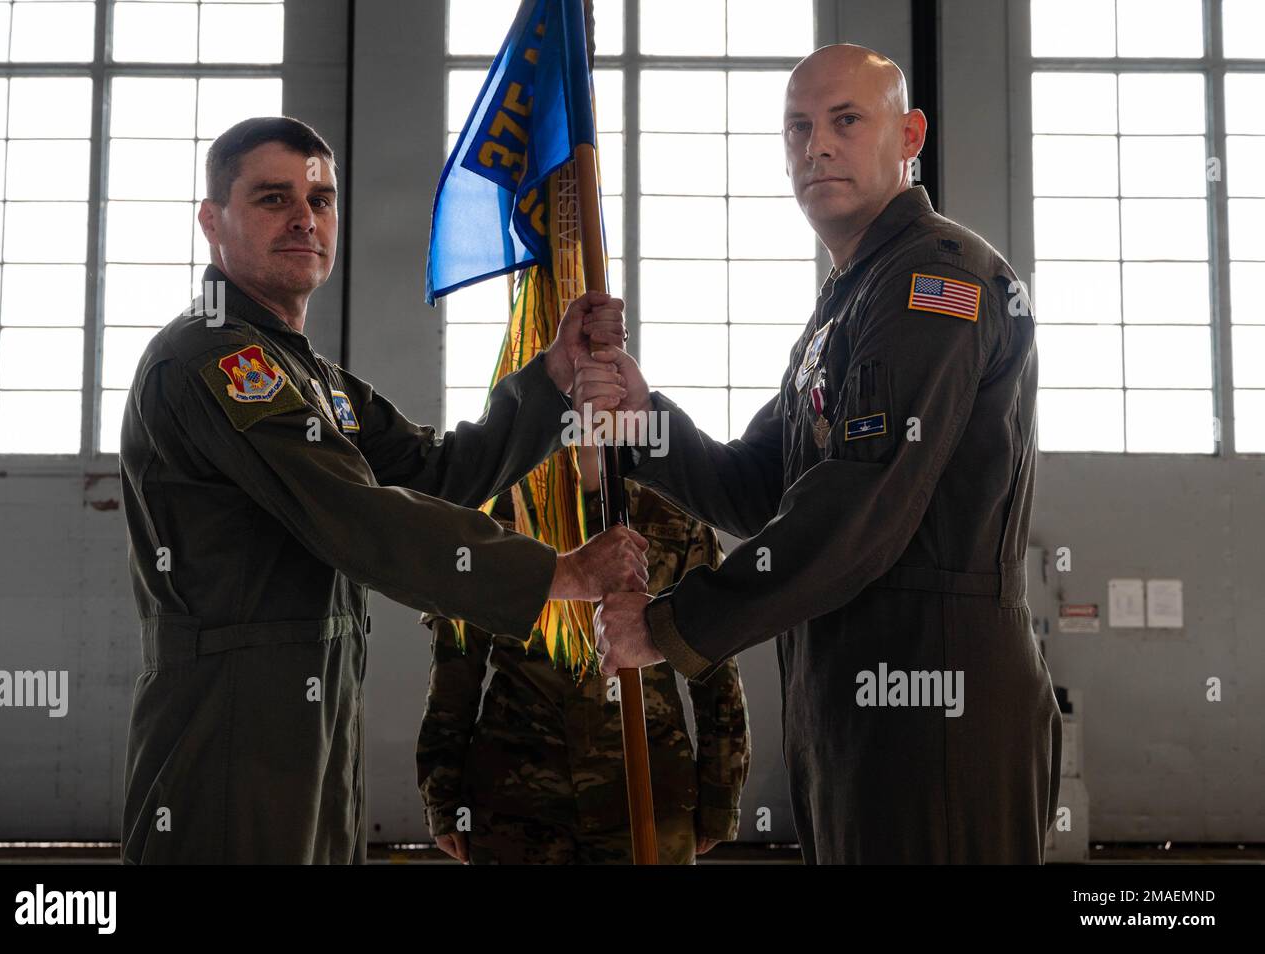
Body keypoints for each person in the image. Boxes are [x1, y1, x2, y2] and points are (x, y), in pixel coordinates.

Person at [579, 45, 1062, 863]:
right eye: (797, 128)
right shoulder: (847, 304)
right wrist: (641, 422)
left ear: (909, 135)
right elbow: (757, 485)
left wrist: (671, 624)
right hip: (851, 702)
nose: (817, 147)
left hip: (934, 695)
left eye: (846, 121)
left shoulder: (934, 283)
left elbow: (858, 507)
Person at [118, 116, 646, 864]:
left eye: (321, 200)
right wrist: (556, 573)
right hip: (230, 717)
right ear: (212, 221)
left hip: (316, 708)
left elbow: (436, 472)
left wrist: (552, 378)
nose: (305, 217)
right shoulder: (213, 361)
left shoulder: (311, 377)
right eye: (273, 198)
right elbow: (356, 514)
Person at [416, 444, 751, 864]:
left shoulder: (672, 510)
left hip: (648, 796)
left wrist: (721, 794)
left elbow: (713, 665)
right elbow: (455, 668)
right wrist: (442, 796)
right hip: (516, 800)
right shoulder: (494, 511)